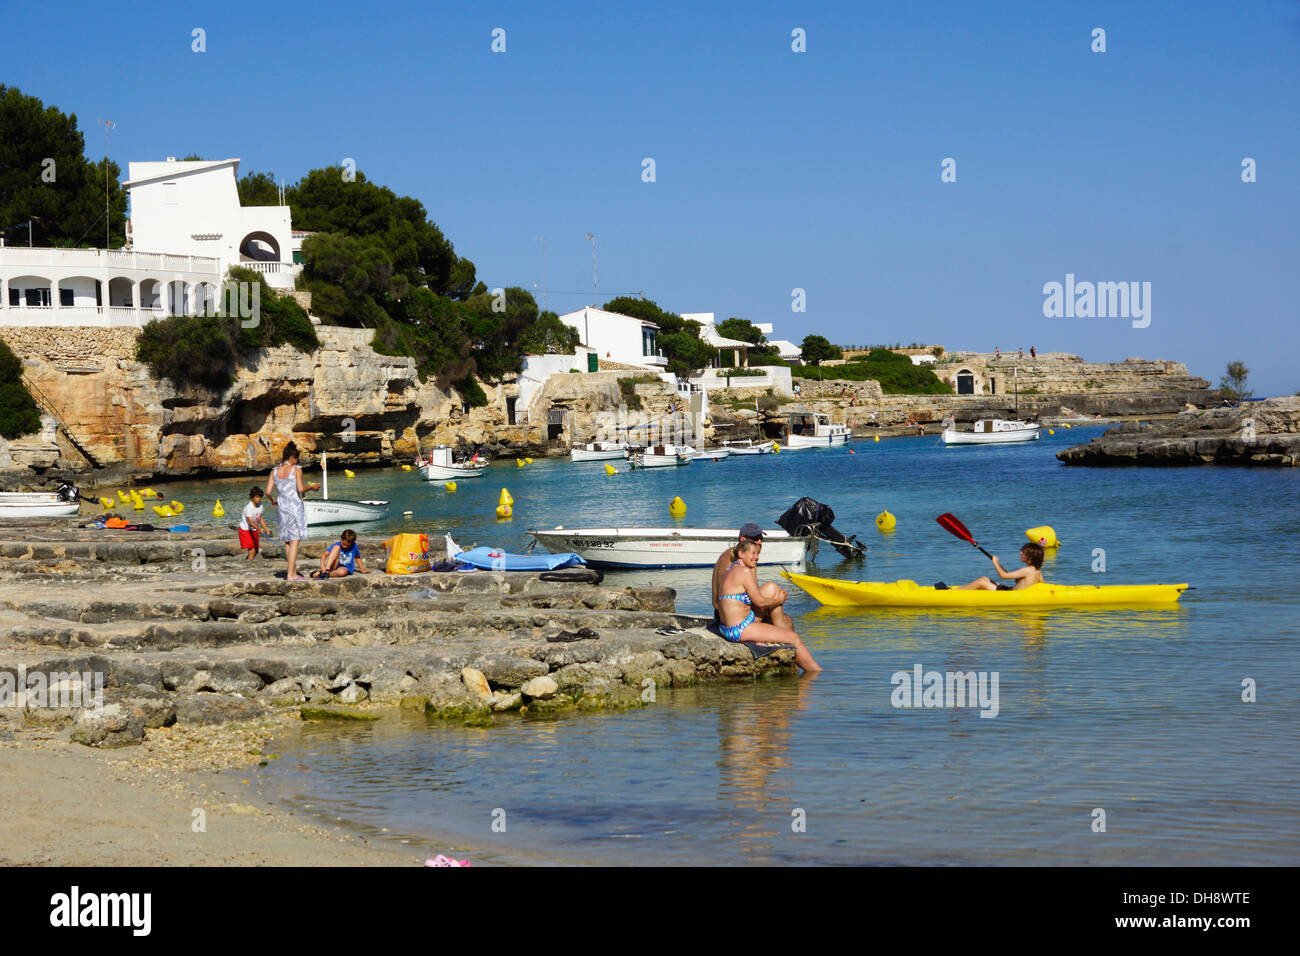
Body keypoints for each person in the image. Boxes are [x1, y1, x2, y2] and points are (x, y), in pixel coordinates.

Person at [717, 539, 822, 672]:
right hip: (739, 629)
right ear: (741, 554)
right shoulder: (744, 572)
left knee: (771, 588)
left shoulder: (732, 568)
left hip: (727, 626)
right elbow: (759, 602)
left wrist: (775, 596)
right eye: (753, 553)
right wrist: (779, 600)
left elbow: (755, 595)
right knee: (793, 638)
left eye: (757, 554)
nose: (757, 557)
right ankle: (817, 673)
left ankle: (781, 633)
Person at [712, 523, 792, 630]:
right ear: (742, 539)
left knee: (782, 616)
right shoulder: (743, 562)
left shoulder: (729, 554)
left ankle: (787, 638)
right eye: (755, 538)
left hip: (723, 614)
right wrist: (778, 600)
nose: (759, 542)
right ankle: (788, 640)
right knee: (772, 590)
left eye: (761, 539)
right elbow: (756, 600)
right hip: (731, 617)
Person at [266, 441, 319, 581]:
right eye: (296, 459)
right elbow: (300, 489)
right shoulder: (296, 469)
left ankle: (293, 570)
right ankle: (290, 574)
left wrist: (273, 501)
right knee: (295, 540)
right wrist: (312, 487)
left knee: (288, 541)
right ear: (292, 458)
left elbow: (268, 492)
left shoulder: (274, 471)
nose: (297, 461)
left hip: (282, 507)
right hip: (294, 507)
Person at [962, 542, 1045, 591]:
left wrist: (995, 562)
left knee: (981, 582)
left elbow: (1003, 576)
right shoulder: (1037, 570)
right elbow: (1042, 584)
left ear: (1030, 556)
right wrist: (998, 564)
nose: (1020, 553)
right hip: (1010, 589)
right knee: (984, 579)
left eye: (1023, 552)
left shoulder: (1027, 570)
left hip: (1012, 595)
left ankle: (952, 592)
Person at [238, 487, 273, 560]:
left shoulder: (260, 505)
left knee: (256, 551)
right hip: (246, 530)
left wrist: (265, 528)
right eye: (257, 497)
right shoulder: (248, 508)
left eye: (260, 497)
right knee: (252, 550)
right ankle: (249, 567)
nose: (259, 499)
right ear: (252, 497)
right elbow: (251, 522)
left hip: (254, 529)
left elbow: (260, 518)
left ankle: (246, 562)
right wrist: (259, 529)